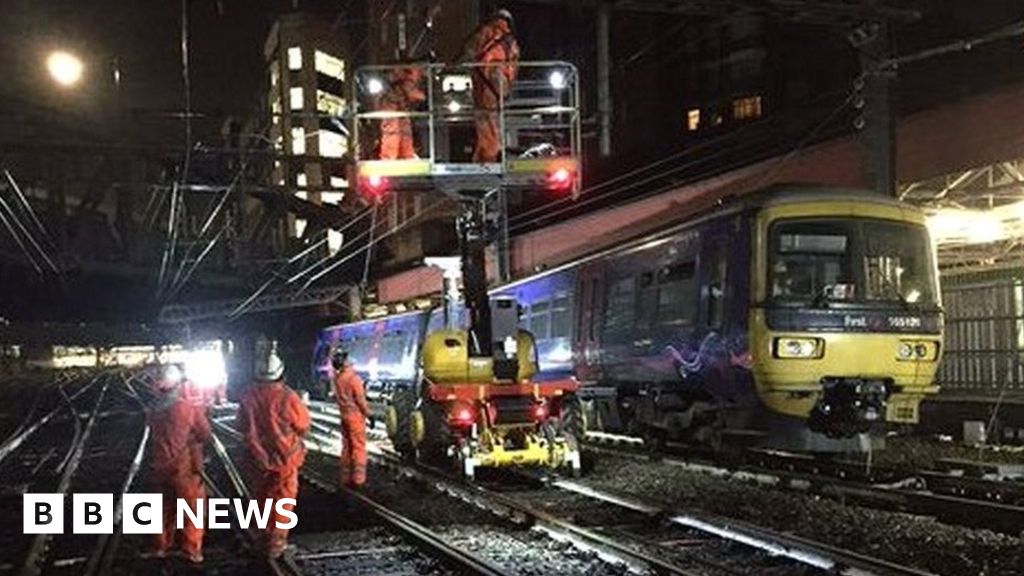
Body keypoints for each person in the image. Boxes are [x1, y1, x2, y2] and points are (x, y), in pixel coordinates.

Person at [237, 345, 310, 559]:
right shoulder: (288, 397)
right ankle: (276, 544)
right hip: (285, 457)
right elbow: (303, 426)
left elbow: (240, 425)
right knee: (283, 499)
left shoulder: (248, 396)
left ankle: (263, 537)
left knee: (261, 498)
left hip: (257, 458)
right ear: (280, 372)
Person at [148, 364, 211, 564]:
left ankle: (161, 547)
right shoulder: (187, 408)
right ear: (177, 386)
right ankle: (191, 550)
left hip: (159, 467)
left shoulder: (153, 411)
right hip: (184, 469)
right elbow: (205, 433)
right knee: (192, 508)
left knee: (163, 508)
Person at [463, 8, 520, 162]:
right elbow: (514, 65)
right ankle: (489, 153)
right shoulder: (511, 41)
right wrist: (508, 84)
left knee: (485, 119)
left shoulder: (485, 33)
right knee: (493, 119)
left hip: (485, 80)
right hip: (499, 82)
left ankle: (488, 154)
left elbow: (469, 52)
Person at [332, 349, 370, 488]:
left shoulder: (337, 379)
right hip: (356, 418)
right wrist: (369, 414)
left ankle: (345, 477)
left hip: (344, 417)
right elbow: (360, 401)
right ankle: (358, 479)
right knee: (358, 448)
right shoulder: (354, 379)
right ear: (345, 362)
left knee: (346, 448)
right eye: (347, 358)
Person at [378, 66, 426, 160]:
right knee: (392, 131)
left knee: (404, 132)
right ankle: (390, 156)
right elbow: (419, 95)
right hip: (392, 107)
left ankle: (406, 155)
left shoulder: (405, 82)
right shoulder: (405, 82)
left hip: (401, 108)